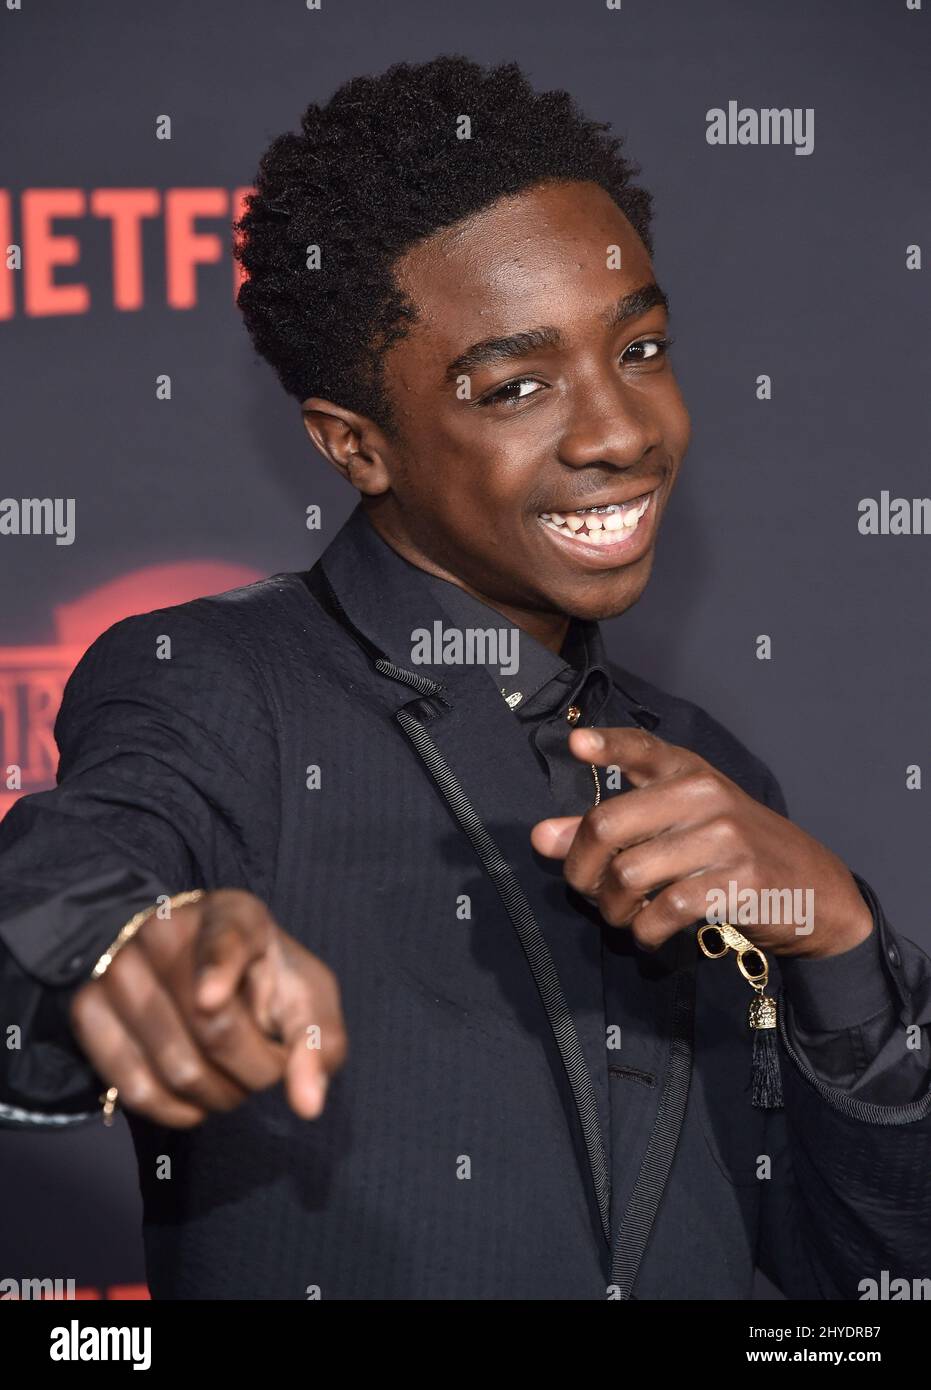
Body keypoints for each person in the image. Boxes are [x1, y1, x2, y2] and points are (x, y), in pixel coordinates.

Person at [1, 56, 928, 1301]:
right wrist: (126, 942)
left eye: (640, 346)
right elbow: (72, 860)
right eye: (517, 385)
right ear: (354, 443)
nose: (622, 430)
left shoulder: (710, 769)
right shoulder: (219, 679)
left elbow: (860, 1280)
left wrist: (842, 943)